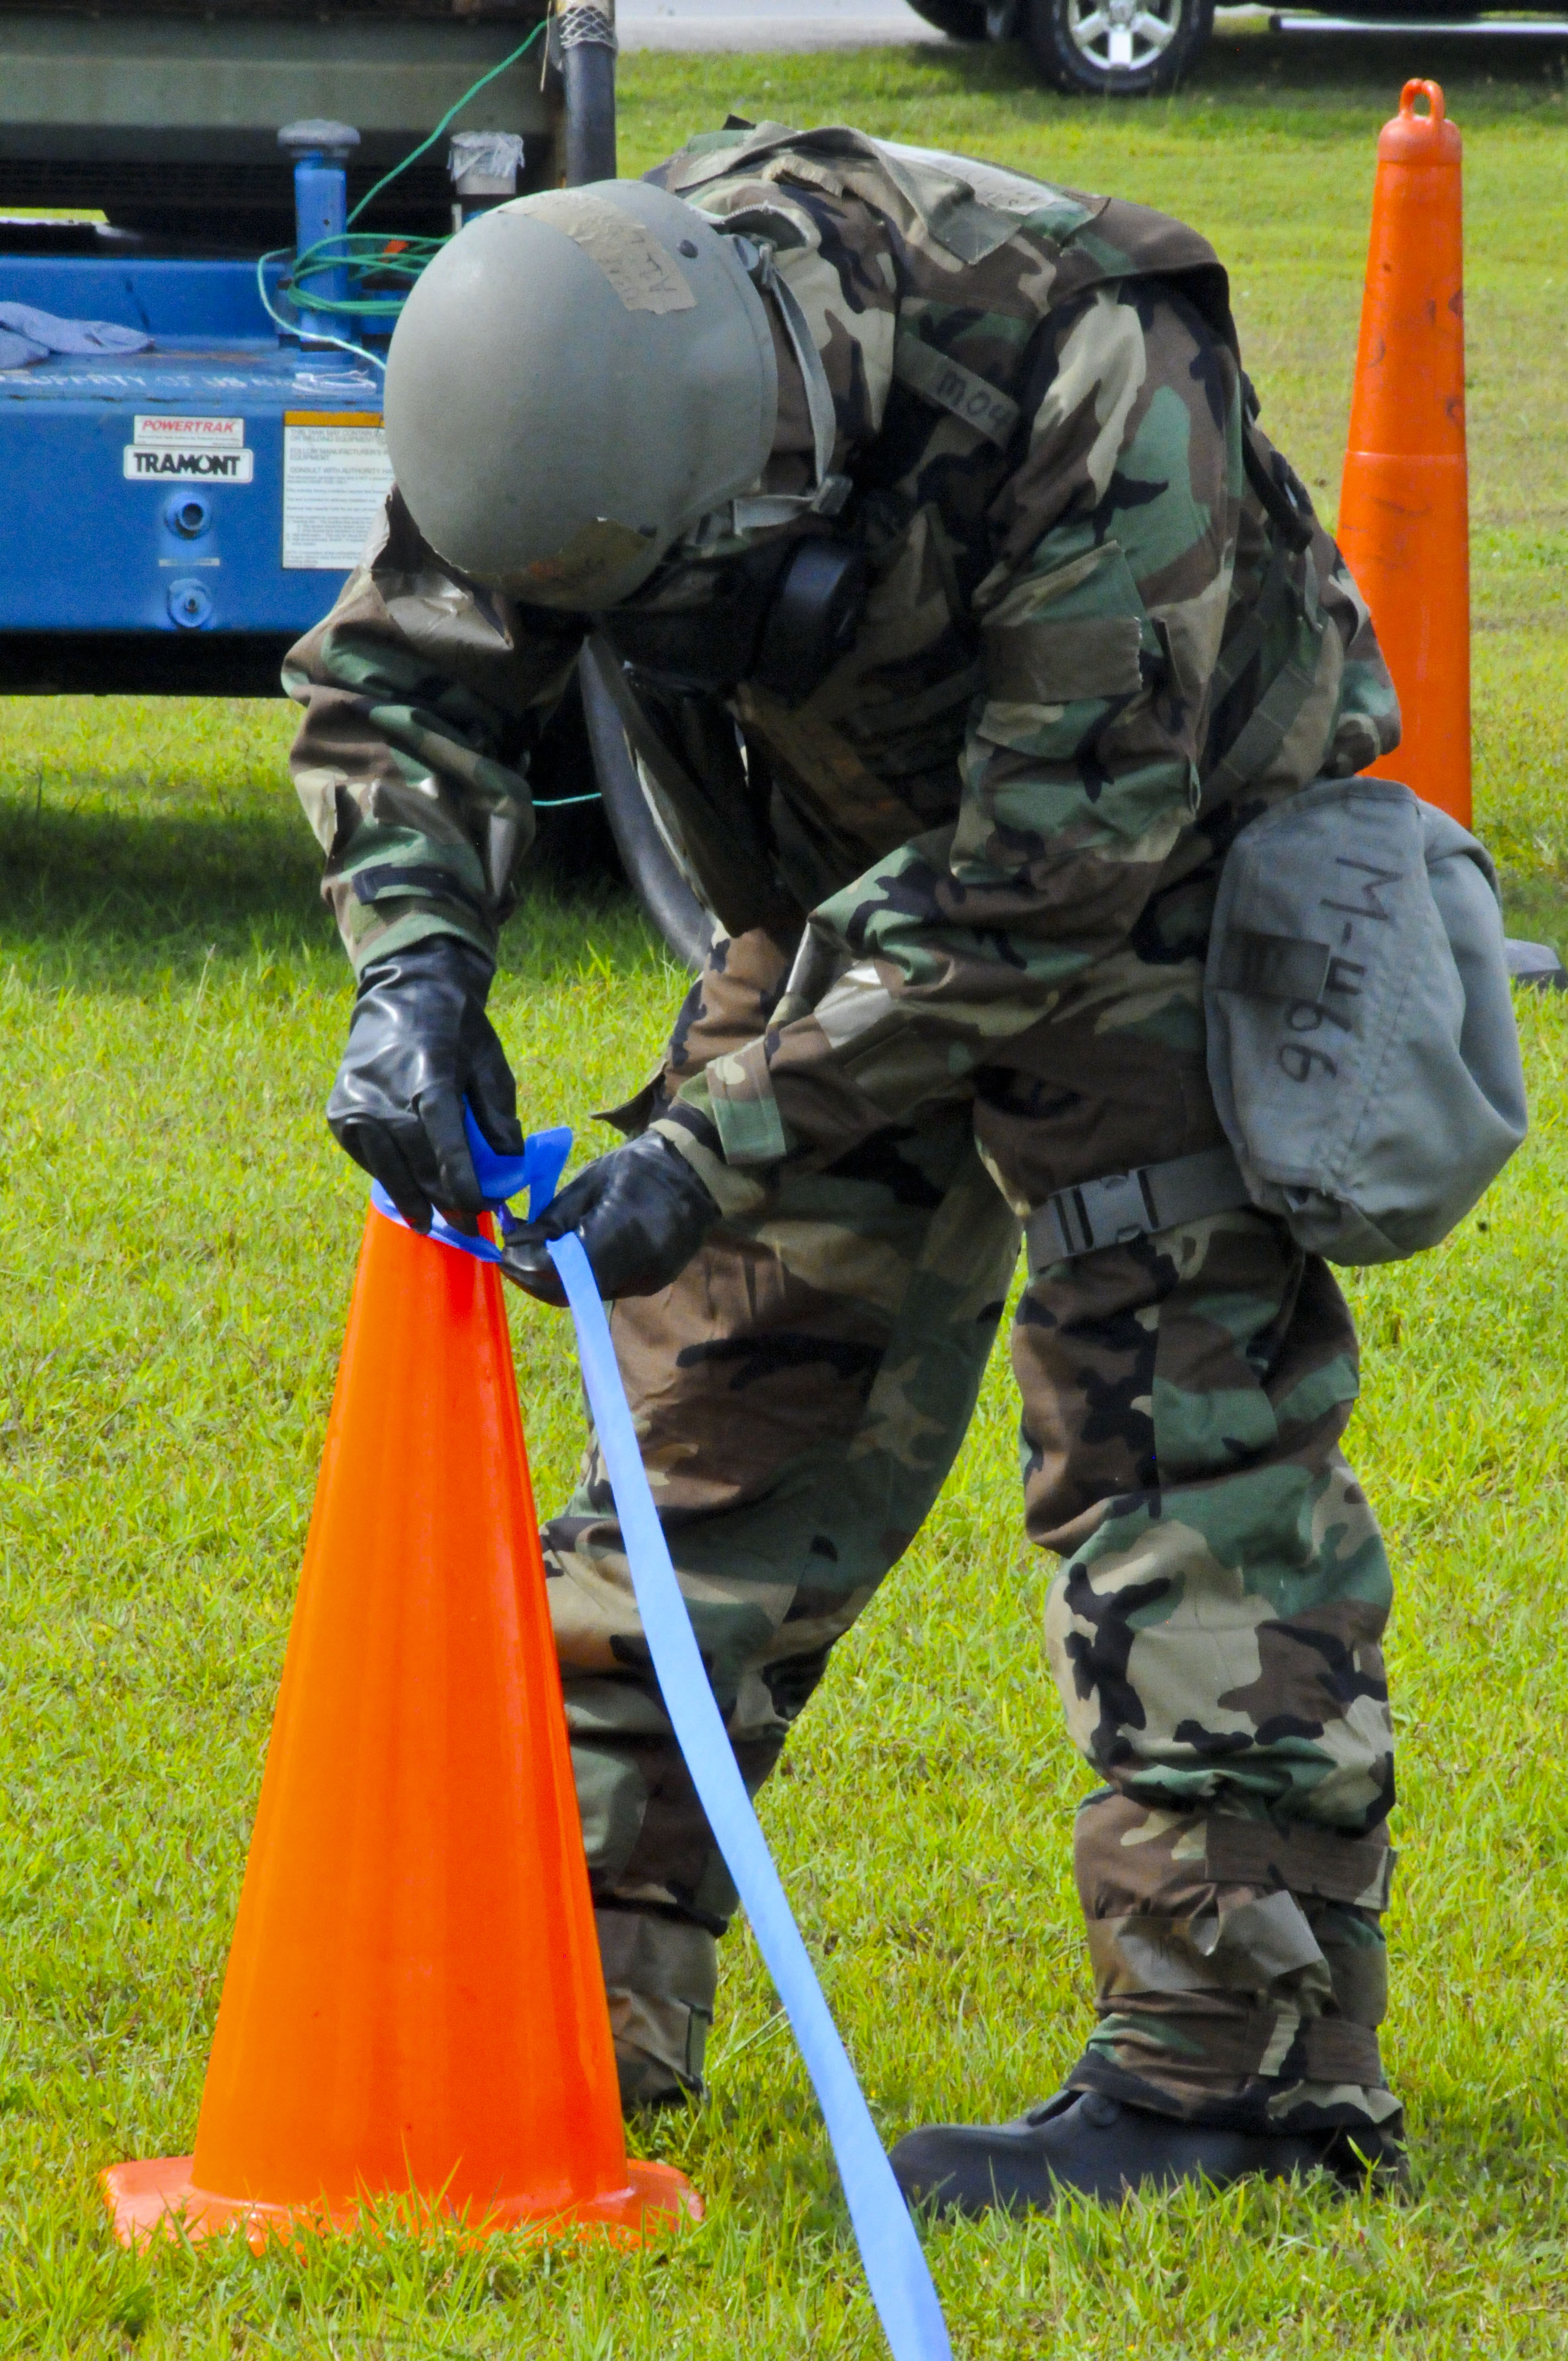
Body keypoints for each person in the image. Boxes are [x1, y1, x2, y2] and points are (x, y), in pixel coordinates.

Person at [284, 122, 1407, 2215]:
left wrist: (714, 1137)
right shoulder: (559, 368)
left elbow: (1051, 868)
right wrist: (415, 973)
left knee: (1178, 1438)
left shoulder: (1090, 362)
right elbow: (399, 685)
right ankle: (564, 2001)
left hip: (1155, 877)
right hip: (844, 891)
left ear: (768, 499)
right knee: (708, 1415)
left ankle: (1237, 2086)